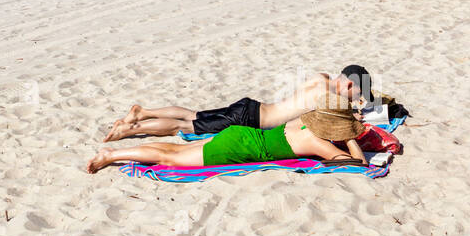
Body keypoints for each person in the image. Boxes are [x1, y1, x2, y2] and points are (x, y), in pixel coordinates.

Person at [103, 69, 368, 141]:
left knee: (193, 114)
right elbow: (345, 122)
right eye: (355, 92)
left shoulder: (320, 77)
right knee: (182, 127)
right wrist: (356, 112)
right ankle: (129, 129)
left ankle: (142, 112)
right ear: (347, 85)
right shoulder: (328, 97)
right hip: (249, 120)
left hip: (251, 107)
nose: (354, 98)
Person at [88, 107, 367, 173]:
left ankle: (117, 151)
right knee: (169, 158)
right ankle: (110, 156)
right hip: (237, 147)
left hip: (241, 133)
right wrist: (350, 138)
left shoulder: (305, 121)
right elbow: (357, 166)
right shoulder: (320, 144)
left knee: (176, 149)